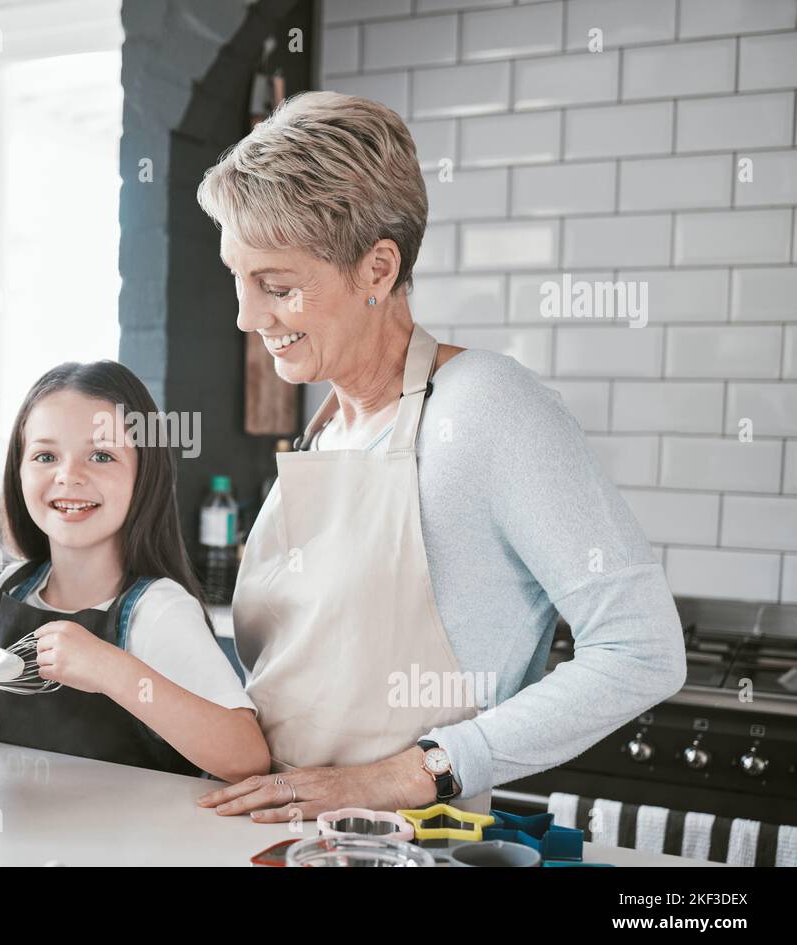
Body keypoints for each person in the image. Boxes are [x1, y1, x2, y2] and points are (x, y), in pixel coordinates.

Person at [191, 91, 687, 821]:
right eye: (239, 279)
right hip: (279, 835)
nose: (246, 315)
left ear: (377, 270)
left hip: (411, 844)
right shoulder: (328, 428)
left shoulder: (488, 407)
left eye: (278, 286)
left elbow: (642, 650)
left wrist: (420, 769)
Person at [0, 361, 269, 781]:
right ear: (18, 470)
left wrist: (109, 668)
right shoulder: (14, 587)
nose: (69, 476)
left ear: (144, 473)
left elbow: (246, 756)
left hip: (129, 845)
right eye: (45, 455)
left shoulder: (158, 611)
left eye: (101, 455)